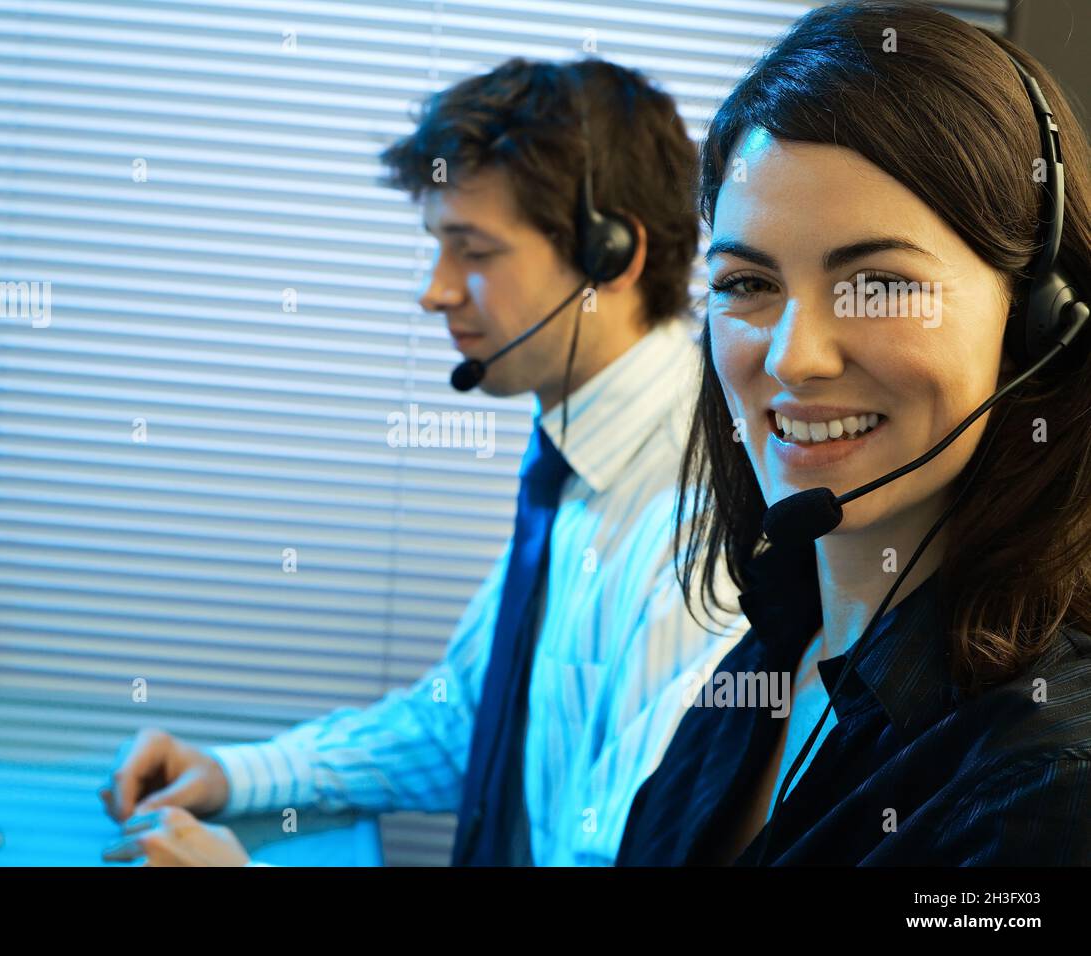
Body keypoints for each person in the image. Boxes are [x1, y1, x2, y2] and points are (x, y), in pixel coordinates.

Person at [98, 57, 747, 866]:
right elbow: (463, 725)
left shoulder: (699, 528)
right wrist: (237, 773)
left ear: (609, 257)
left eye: (470, 250)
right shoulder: (582, 456)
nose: (434, 292)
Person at [615, 0, 1091, 866]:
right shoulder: (775, 649)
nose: (796, 357)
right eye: (748, 284)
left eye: (875, 281)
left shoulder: (1050, 778)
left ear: (1036, 320)